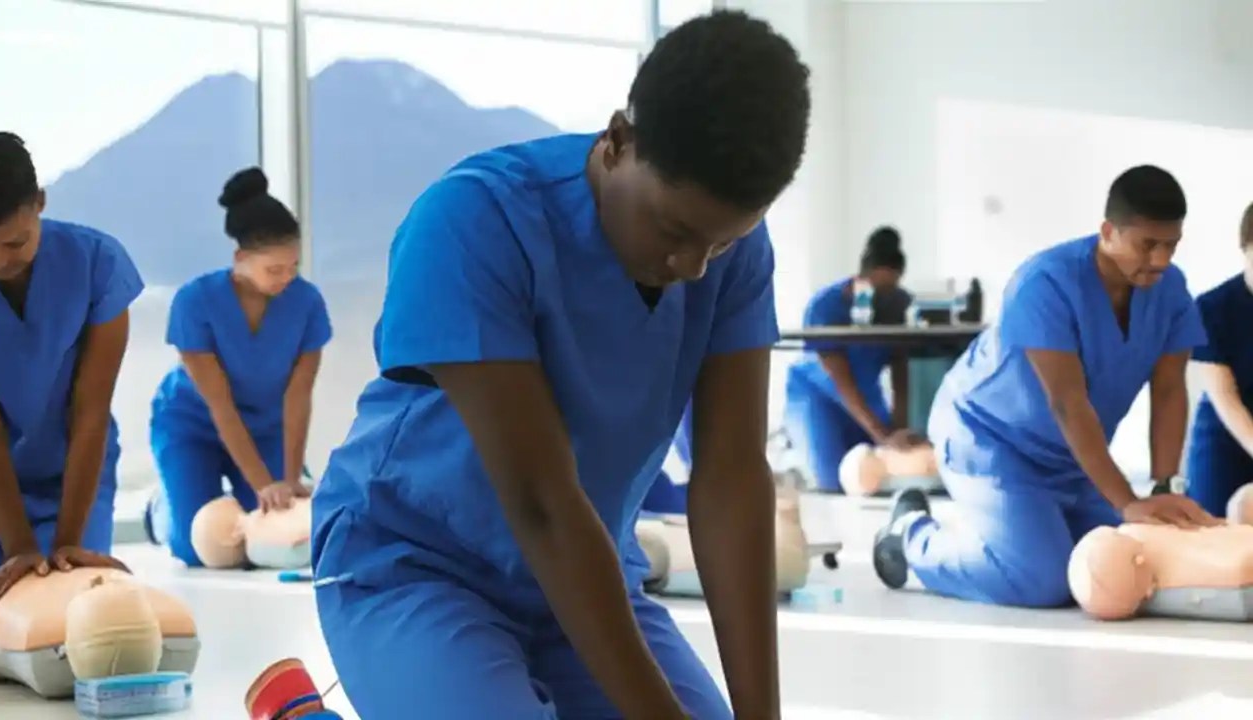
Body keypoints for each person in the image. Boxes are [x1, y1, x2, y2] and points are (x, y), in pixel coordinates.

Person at [311, 11, 810, 720]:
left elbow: (730, 475)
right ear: (618, 141)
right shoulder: (473, 221)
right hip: (416, 567)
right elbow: (543, 504)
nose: (695, 267)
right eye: (675, 231)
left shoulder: (734, 256)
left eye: (722, 243)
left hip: (590, 582)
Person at [872, 165, 1220, 609]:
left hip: (1070, 459)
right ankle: (913, 538)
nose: (1161, 261)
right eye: (1147, 245)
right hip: (990, 440)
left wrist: (1163, 487)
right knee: (1043, 582)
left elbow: (1170, 390)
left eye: (1171, 245)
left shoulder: (1170, 290)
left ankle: (1009, 532)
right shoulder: (1045, 283)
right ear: (1108, 232)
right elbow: (1067, 402)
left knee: (1122, 560)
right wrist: (1126, 502)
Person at [0, 131, 143, 617]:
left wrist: (68, 543)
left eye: (15, 242)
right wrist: (19, 548)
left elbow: (90, 414)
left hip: (76, 472)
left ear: (40, 203)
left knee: (75, 606)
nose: (0, 262)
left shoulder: (99, 265)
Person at [145, 167, 330, 568]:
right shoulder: (194, 303)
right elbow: (219, 405)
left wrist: (290, 477)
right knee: (200, 548)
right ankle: (160, 512)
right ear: (240, 259)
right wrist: (264, 484)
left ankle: (245, 499)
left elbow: (298, 396)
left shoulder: (307, 304)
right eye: (274, 270)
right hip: (192, 424)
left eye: (293, 266)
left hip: (265, 427)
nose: (287, 279)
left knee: (286, 536)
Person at [783, 227, 918, 492]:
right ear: (860, 278)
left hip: (866, 394)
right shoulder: (825, 306)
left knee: (884, 472)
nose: (883, 299)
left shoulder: (900, 304)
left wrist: (899, 429)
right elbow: (841, 381)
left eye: (889, 290)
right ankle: (791, 461)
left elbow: (901, 371)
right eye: (877, 291)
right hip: (816, 394)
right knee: (833, 481)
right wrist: (881, 434)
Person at [1185, 200, 1253, 517]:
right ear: (1245, 246)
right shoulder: (1212, 307)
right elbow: (1225, 396)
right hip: (1225, 436)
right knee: (1215, 531)